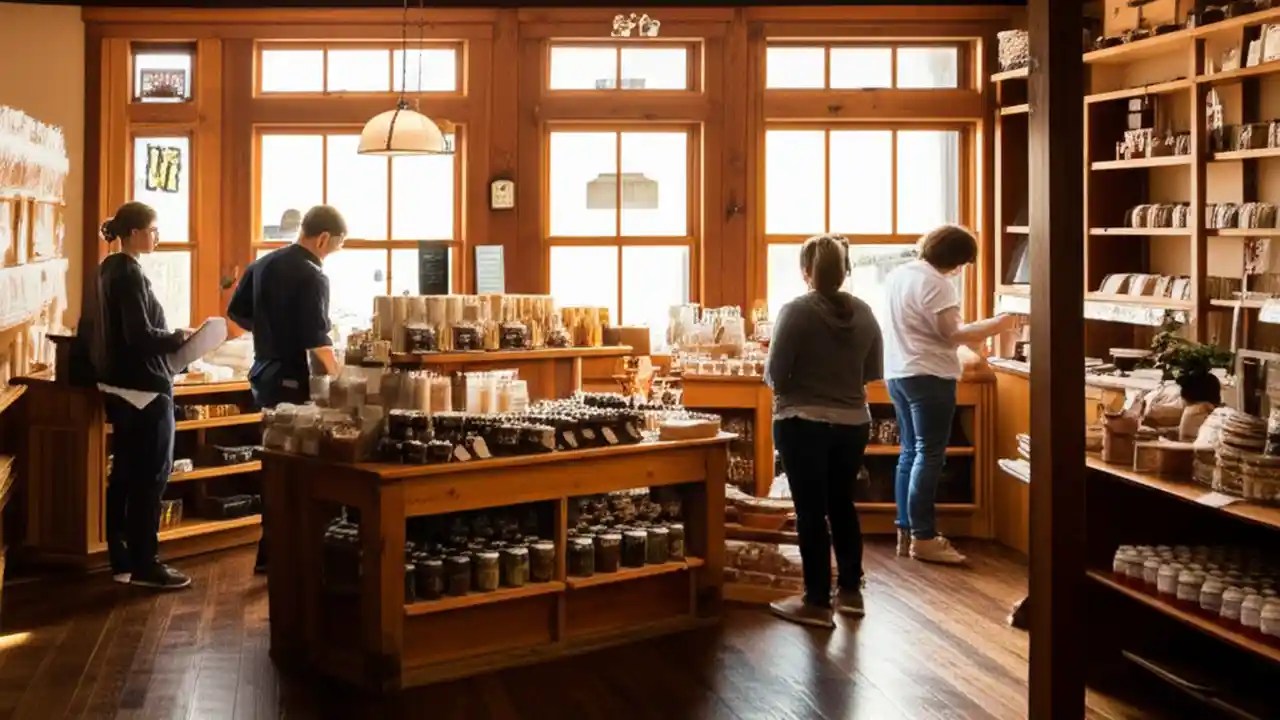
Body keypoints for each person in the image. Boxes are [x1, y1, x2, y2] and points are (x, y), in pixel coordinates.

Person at [765, 234, 882, 628]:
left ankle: (816, 601)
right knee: (842, 504)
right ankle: (851, 590)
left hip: (803, 422)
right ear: (846, 271)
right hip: (853, 423)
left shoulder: (796, 312)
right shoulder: (865, 312)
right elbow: (873, 371)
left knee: (810, 512)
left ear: (806, 272)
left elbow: (775, 375)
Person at [883, 225, 1018, 565]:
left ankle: (906, 531)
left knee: (909, 453)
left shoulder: (900, 274)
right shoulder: (936, 283)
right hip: (929, 375)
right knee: (929, 455)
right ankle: (925, 538)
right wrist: (1002, 323)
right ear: (956, 259)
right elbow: (954, 333)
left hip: (898, 372)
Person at [227, 205, 346, 572]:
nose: (332, 254)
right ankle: (299, 553)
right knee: (302, 466)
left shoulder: (262, 264)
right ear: (323, 238)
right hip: (295, 380)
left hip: (263, 373)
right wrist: (341, 380)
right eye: (335, 246)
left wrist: (270, 328)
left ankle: (269, 550)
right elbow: (317, 341)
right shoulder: (313, 275)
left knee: (274, 464)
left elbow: (237, 314)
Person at [92, 202, 192, 590]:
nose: (157, 237)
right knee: (152, 477)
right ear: (133, 233)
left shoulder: (106, 270)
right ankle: (146, 564)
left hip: (117, 385)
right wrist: (178, 338)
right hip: (145, 389)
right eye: (152, 230)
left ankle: (122, 561)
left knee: (123, 476)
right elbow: (140, 335)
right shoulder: (130, 274)